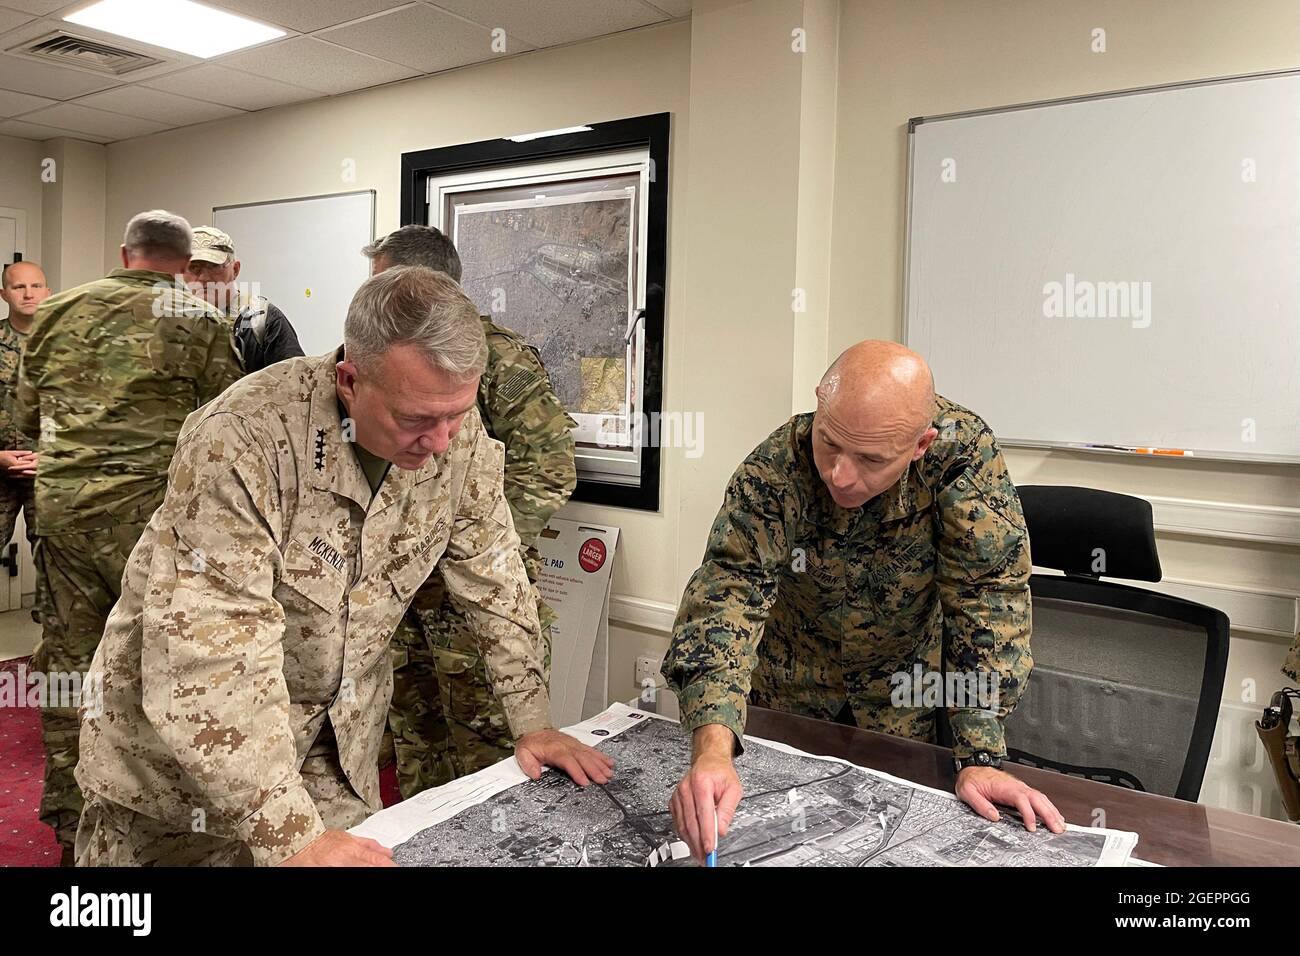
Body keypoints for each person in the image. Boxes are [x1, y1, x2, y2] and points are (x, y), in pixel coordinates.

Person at [74, 266, 611, 866]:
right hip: (184, 775)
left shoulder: (453, 434)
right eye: (415, 421)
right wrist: (289, 835)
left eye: (454, 416)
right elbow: (209, 655)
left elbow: (497, 580)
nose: (440, 441)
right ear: (350, 382)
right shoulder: (244, 439)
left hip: (328, 753)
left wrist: (531, 721)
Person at [662, 339, 1064, 863]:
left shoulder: (961, 461)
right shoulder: (775, 469)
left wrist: (980, 755)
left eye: (871, 459)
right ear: (819, 404)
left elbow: (987, 603)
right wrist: (713, 748)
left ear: (920, 444)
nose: (840, 475)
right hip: (788, 695)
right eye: (830, 444)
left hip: (900, 697)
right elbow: (727, 596)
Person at [15, 210, 242, 862]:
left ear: (124, 252)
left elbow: (28, 415)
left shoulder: (56, 312)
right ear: (183, 260)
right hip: (147, 526)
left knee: (66, 666)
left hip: (62, 516)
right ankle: (152, 829)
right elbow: (221, 427)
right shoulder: (201, 322)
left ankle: (67, 820)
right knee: (158, 672)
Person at [364, 225, 578, 795]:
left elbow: (549, 470)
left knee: (494, 763)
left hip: (478, 605)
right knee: (416, 755)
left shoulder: (499, 360)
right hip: (405, 602)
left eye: (384, 284)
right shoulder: (381, 367)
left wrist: (462, 537)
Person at [184, 225, 304, 371]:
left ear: (235, 270)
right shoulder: (171, 319)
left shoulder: (262, 320)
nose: (204, 277)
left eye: (213, 266)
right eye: (194, 267)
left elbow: (296, 383)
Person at [0, 261, 50, 558]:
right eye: (19, 287)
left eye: (35, 286)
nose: (28, 294)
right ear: (4, 294)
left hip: (46, 470)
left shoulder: (66, 345)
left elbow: (82, 412)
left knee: (54, 566)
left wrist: (53, 456)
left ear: (47, 292)